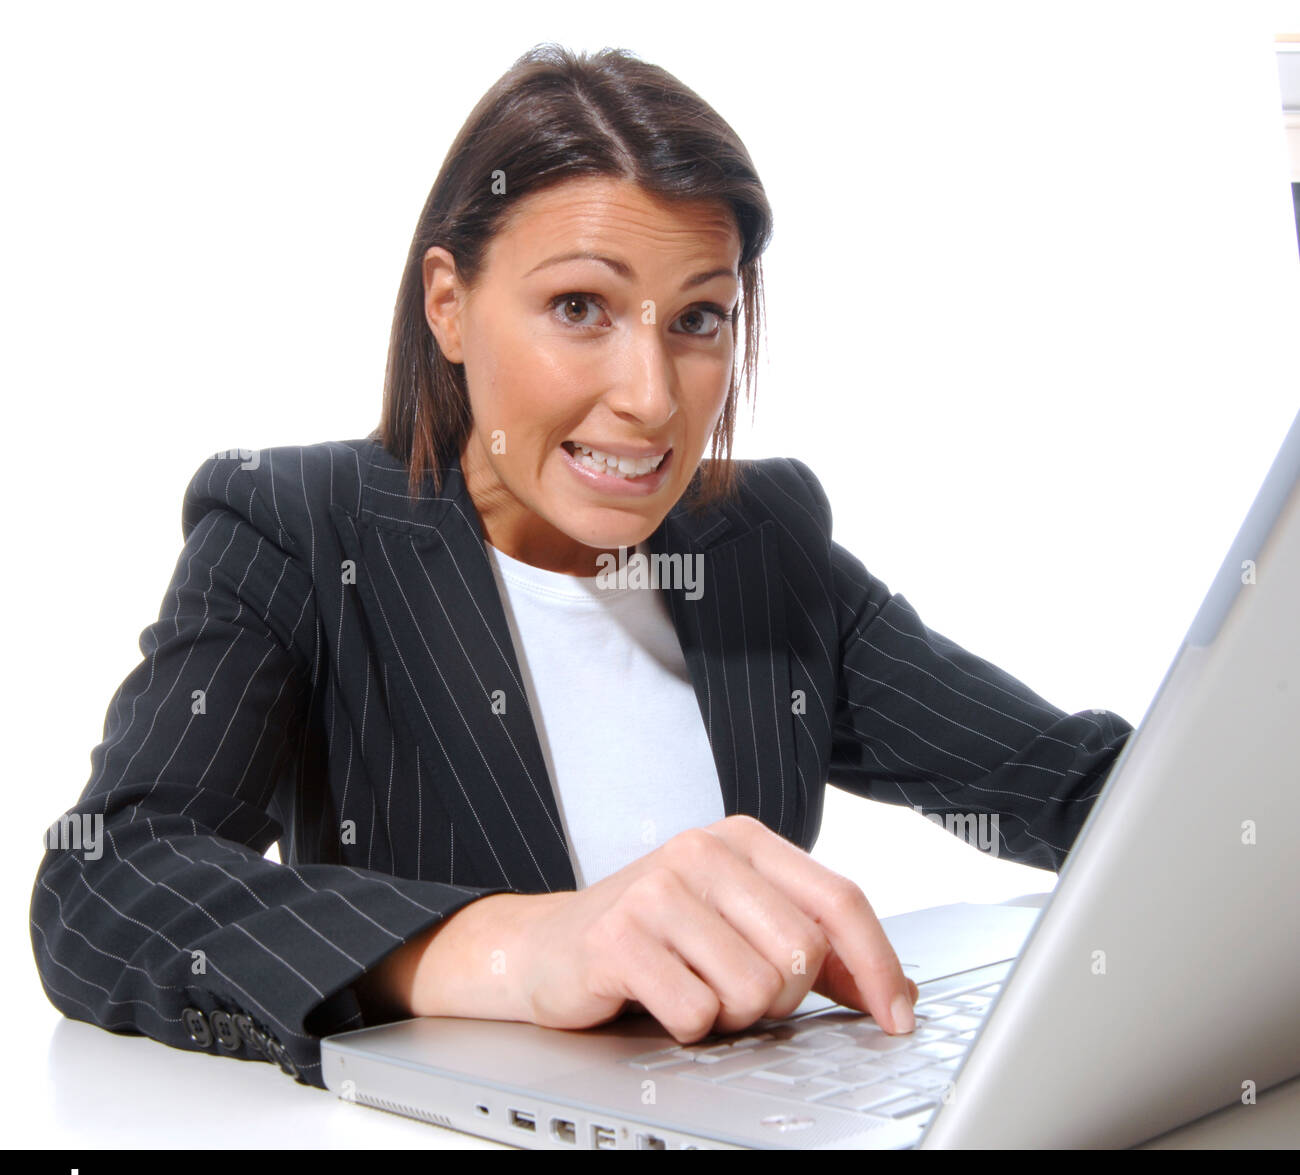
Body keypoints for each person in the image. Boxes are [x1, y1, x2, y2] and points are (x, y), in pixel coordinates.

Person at [29, 43, 1133, 1092]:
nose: (651, 396)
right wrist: (518, 947)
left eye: (698, 319)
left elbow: (1080, 791)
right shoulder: (300, 530)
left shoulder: (759, 545)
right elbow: (105, 882)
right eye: (577, 308)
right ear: (448, 305)